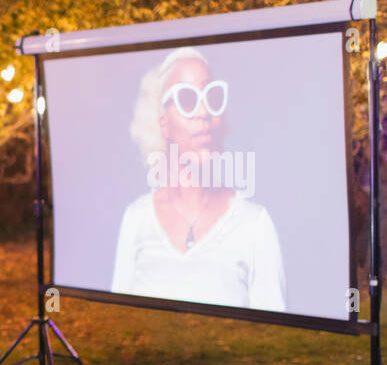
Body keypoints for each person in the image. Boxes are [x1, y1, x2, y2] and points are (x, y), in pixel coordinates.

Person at [112, 46, 286, 311]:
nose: (204, 111)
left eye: (213, 96)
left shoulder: (255, 225)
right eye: (187, 98)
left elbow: (275, 335)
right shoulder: (136, 218)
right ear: (163, 124)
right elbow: (118, 321)